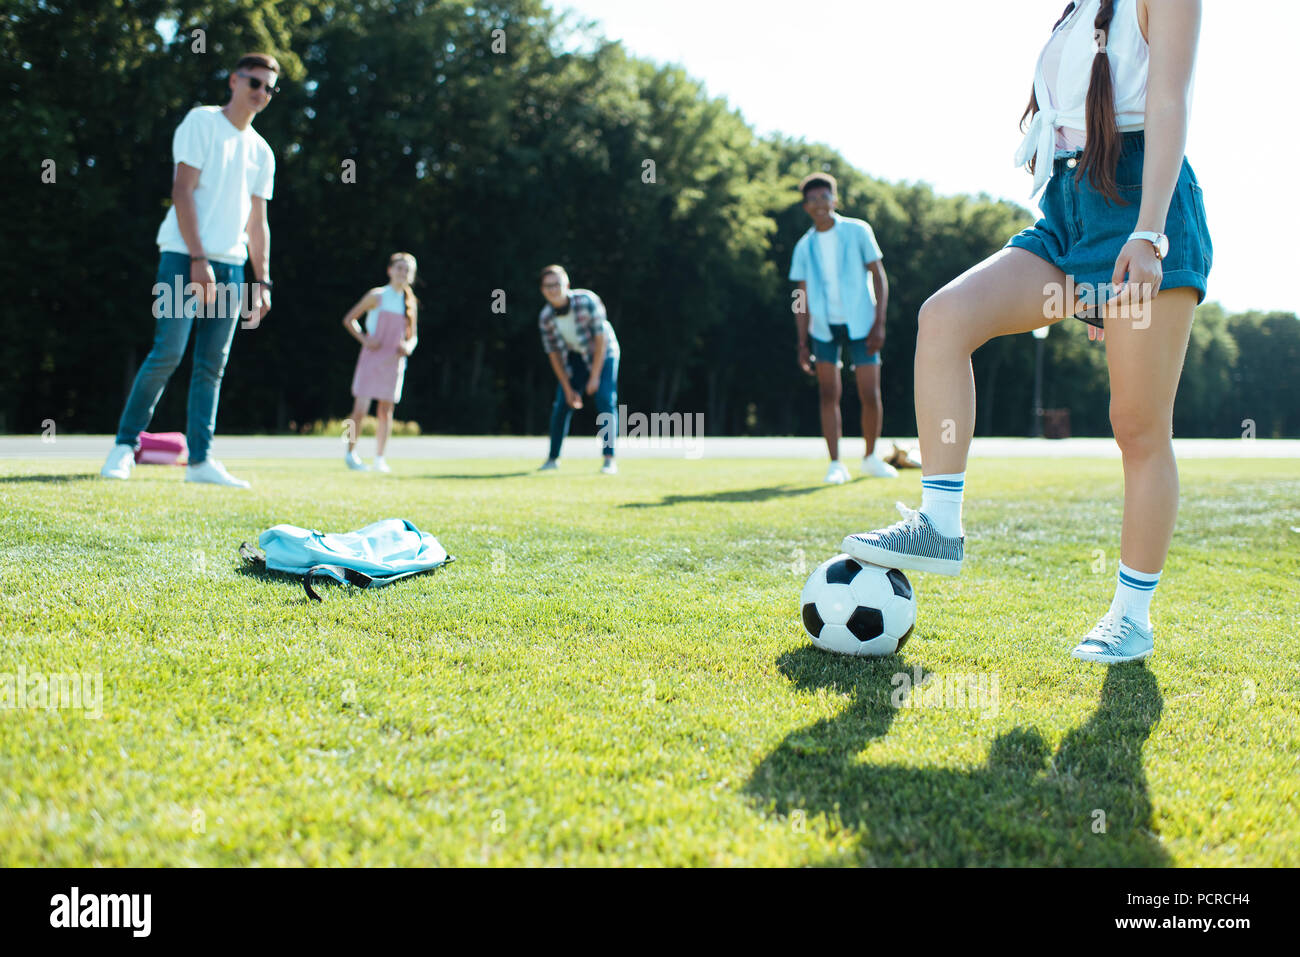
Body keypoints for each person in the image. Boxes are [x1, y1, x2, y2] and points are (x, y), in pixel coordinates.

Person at [841, 0, 1212, 664]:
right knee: (946, 317)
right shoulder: (1077, 9)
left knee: (1137, 423)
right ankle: (939, 524)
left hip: (1140, 204)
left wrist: (1147, 237)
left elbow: (1168, 104)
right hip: (1071, 207)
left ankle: (1131, 616)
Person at [101, 53, 278, 488]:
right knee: (168, 352)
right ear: (234, 80)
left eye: (270, 88)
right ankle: (124, 446)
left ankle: (200, 462)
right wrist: (198, 259)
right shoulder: (201, 122)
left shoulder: (262, 151)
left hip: (233, 266)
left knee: (212, 365)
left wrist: (264, 281)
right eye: (255, 82)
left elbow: (258, 223)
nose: (261, 92)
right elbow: (182, 191)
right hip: (184, 256)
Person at [790, 173, 898, 484]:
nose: (819, 204)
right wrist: (801, 343)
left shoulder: (858, 230)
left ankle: (870, 457)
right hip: (823, 327)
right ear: (806, 207)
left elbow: (879, 276)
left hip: (863, 323)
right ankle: (835, 463)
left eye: (824, 198)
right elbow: (800, 297)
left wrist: (879, 323)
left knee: (869, 393)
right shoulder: (803, 247)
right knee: (828, 394)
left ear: (834, 200)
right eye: (812, 200)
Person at [339, 253, 419, 473]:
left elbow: (413, 336)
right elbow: (349, 320)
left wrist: (408, 347)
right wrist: (365, 339)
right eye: (399, 268)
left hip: (394, 361)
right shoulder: (377, 295)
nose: (402, 273)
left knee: (386, 411)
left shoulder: (409, 303)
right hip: (371, 358)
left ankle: (379, 458)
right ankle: (350, 454)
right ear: (390, 270)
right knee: (360, 410)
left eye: (407, 270)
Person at [536, 265, 620, 474]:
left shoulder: (587, 301)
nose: (553, 289)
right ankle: (552, 459)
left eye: (557, 284)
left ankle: (609, 459)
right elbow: (554, 355)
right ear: (542, 290)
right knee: (562, 404)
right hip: (575, 357)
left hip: (604, 353)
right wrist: (567, 388)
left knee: (604, 398)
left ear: (567, 285)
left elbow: (600, 339)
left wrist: (594, 377)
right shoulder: (546, 317)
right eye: (548, 286)